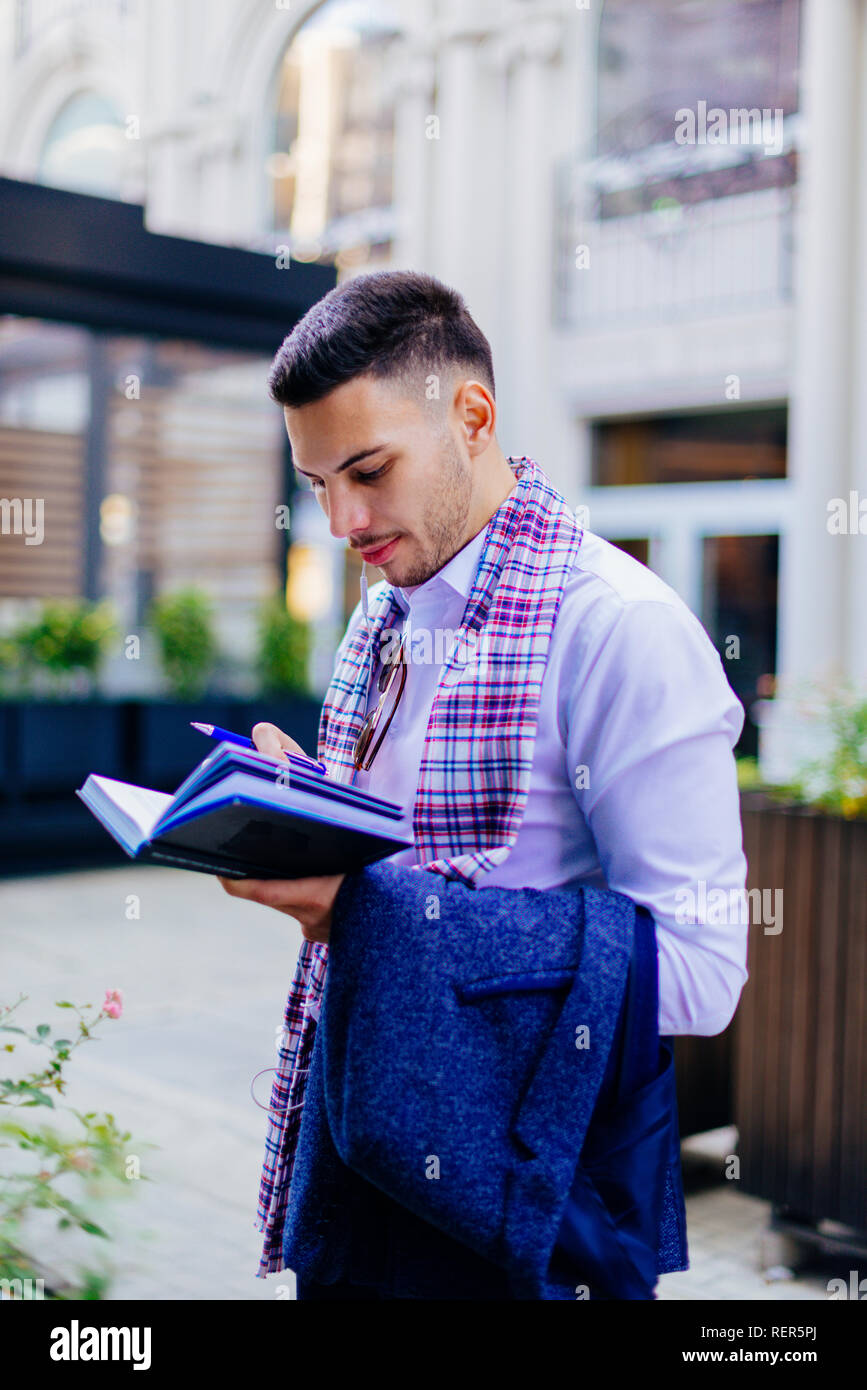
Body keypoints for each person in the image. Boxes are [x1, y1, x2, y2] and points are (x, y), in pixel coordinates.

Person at [218, 268, 749, 1298]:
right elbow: (405, 867)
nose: (341, 521)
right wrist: (304, 824)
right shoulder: (386, 615)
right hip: (359, 1157)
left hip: (529, 1196)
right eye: (319, 483)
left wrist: (365, 911)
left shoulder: (621, 630)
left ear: (472, 415)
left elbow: (699, 968)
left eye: (367, 470)